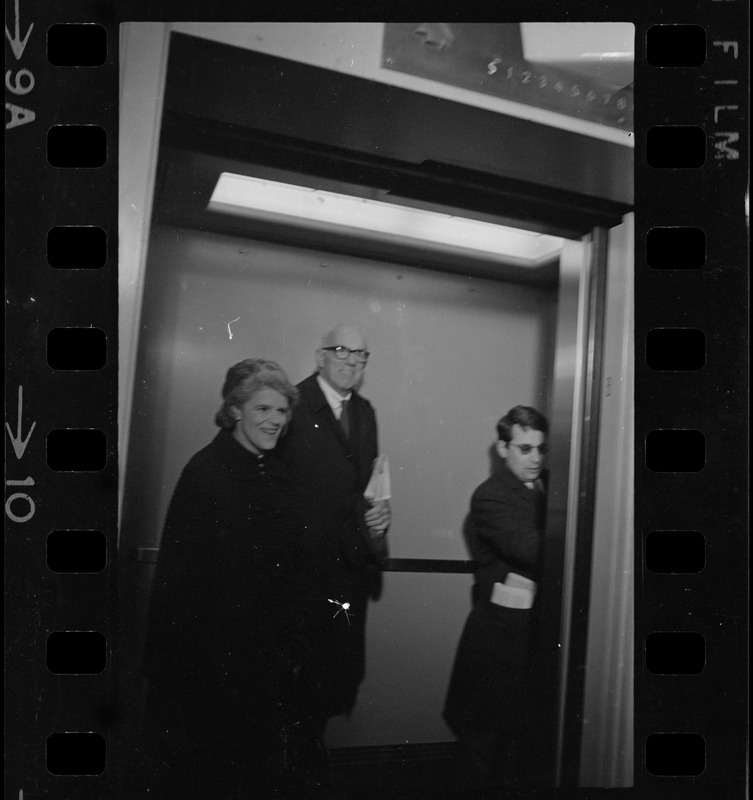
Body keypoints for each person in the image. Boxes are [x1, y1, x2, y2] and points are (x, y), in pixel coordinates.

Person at [140, 359, 328, 799]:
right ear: (236, 410)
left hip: (264, 666)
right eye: (263, 409)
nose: (274, 421)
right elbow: (178, 584)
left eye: (282, 412)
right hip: (213, 669)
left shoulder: (275, 473)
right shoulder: (206, 472)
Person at [277, 324, 391, 725]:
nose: (351, 360)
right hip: (297, 580)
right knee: (287, 688)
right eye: (341, 350)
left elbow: (366, 490)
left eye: (360, 354)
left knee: (331, 684)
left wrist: (378, 517)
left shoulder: (364, 413)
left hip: (347, 581)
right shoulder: (290, 403)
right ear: (319, 356)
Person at [444, 405, 549, 792]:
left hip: (530, 644)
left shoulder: (548, 486)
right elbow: (531, 548)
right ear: (503, 449)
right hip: (497, 647)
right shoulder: (489, 497)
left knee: (517, 753)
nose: (536, 458)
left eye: (541, 449)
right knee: (481, 751)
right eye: (525, 449)